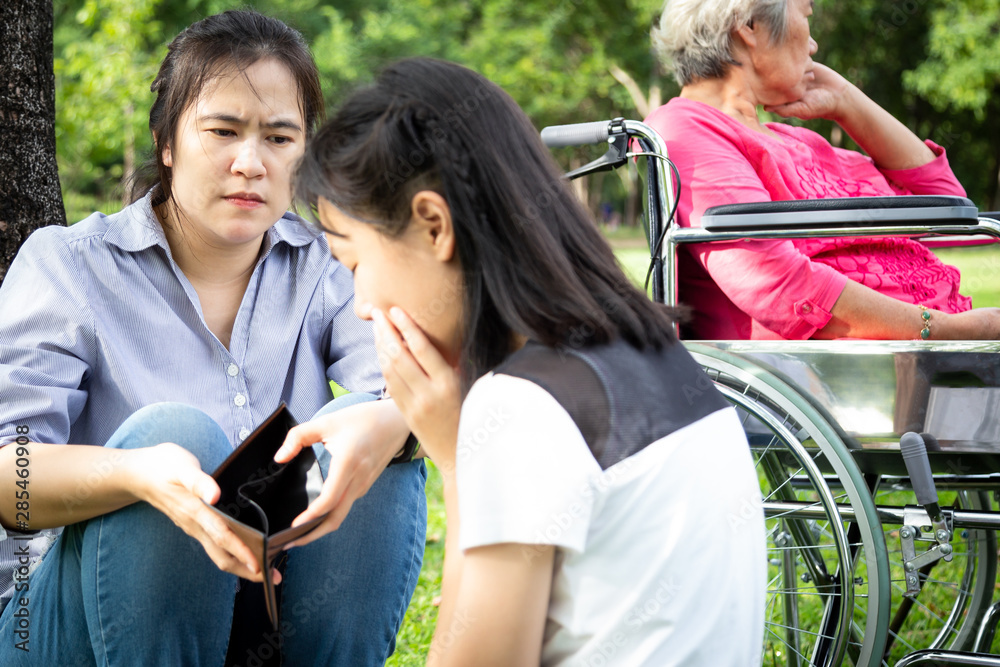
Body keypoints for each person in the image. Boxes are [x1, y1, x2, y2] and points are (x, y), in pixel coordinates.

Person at [282, 56, 767, 666]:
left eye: (355, 265)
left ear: (434, 226)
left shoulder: (520, 407)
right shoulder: (651, 354)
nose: (360, 306)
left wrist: (457, 461)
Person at [0, 10, 425, 666]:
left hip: (273, 607)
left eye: (280, 138)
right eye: (222, 131)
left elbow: (417, 384)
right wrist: (137, 474)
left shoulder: (327, 263)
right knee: (173, 441)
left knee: (374, 428)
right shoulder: (68, 264)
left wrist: (390, 418)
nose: (251, 163)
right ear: (167, 141)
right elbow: (11, 475)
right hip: (79, 622)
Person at [647, 0, 1000, 340]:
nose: (813, 45)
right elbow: (780, 286)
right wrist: (953, 330)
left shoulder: (794, 140)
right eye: (807, 14)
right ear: (749, 26)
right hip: (833, 377)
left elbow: (948, 212)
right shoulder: (685, 126)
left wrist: (846, 100)